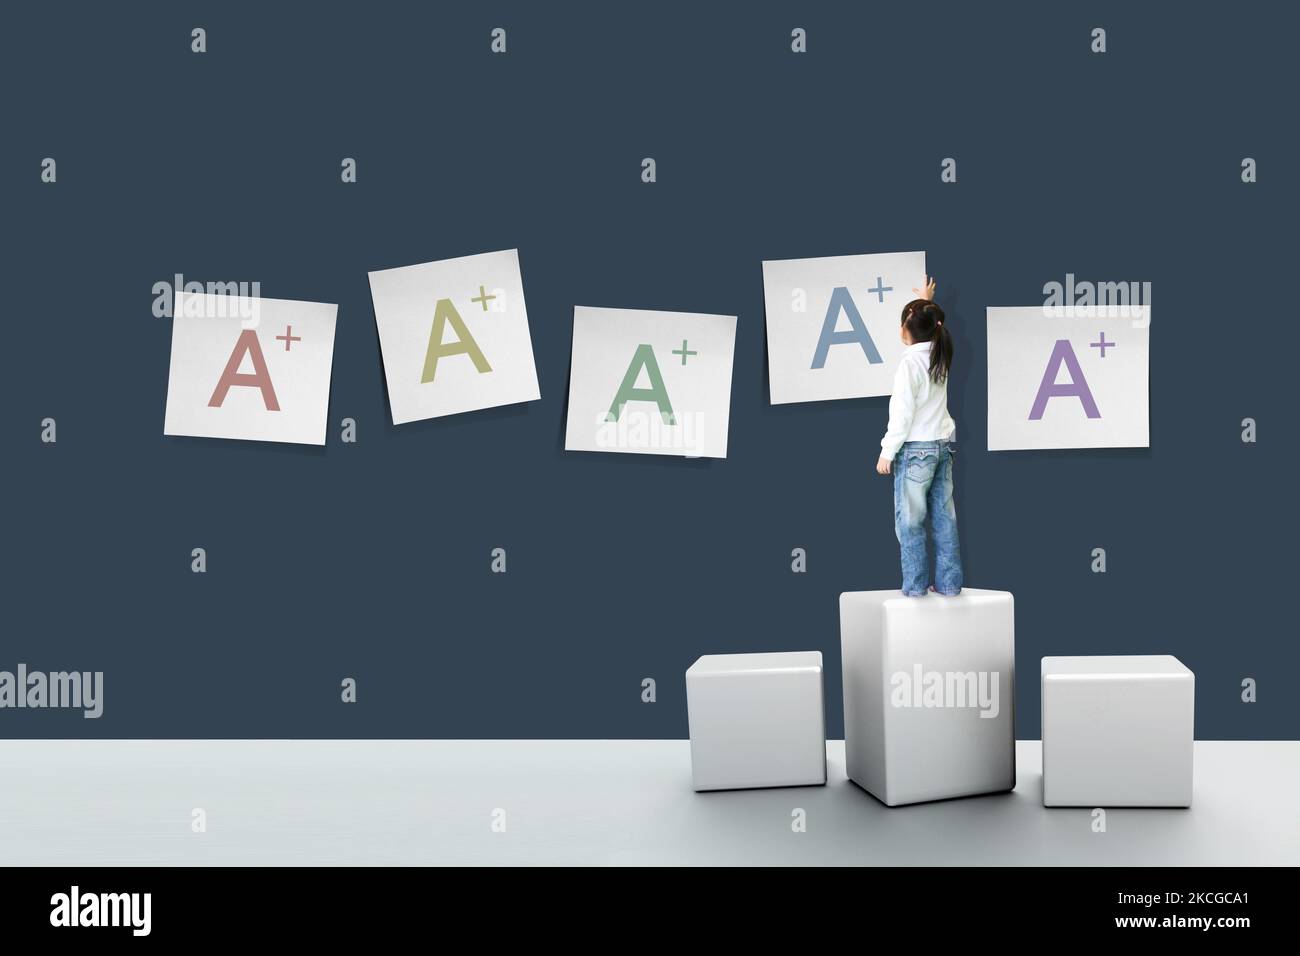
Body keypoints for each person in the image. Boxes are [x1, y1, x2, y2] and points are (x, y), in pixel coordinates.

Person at [875, 277, 962, 596]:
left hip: (915, 452)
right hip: (942, 448)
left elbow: (902, 413)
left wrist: (887, 451)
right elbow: (933, 321)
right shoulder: (941, 353)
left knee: (909, 524)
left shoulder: (909, 363)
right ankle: (950, 586)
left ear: (905, 330)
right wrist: (926, 302)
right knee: (944, 520)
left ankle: (914, 588)